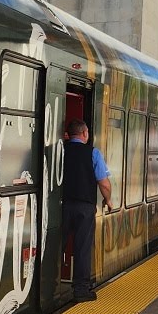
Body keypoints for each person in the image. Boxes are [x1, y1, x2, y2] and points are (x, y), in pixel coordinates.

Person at [63, 119, 113, 303]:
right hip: (84, 207)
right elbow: (104, 183)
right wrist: (108, 200)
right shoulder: (93, 152)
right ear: (85, 134)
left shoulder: (61, 150)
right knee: (82, 247)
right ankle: (81, 290)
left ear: (69, 135)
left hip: (61, 206)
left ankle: (48, 285)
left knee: (56, 245)